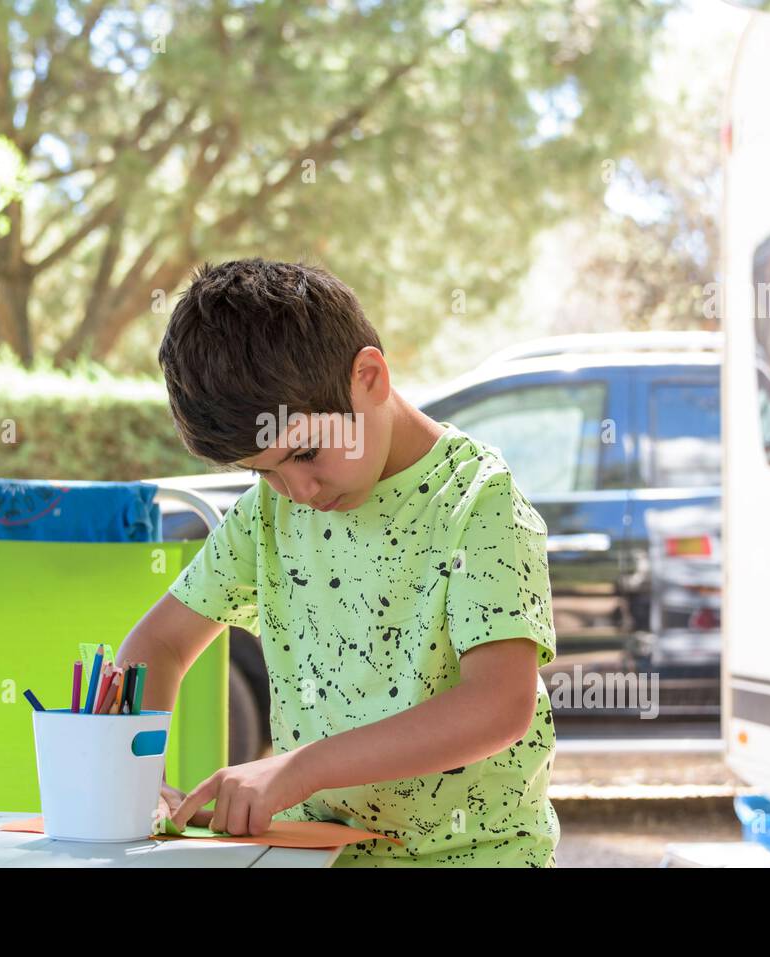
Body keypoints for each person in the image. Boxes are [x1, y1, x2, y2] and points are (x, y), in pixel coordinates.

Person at [123, 257, 559, 866]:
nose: (298, 491)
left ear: (371, 376)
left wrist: (300, 770)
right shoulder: (268, 515)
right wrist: (140, 781)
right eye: (264, 471)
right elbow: (159, 644)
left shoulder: (478, 502)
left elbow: (499, 704)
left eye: (304, 452)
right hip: (315, 856)